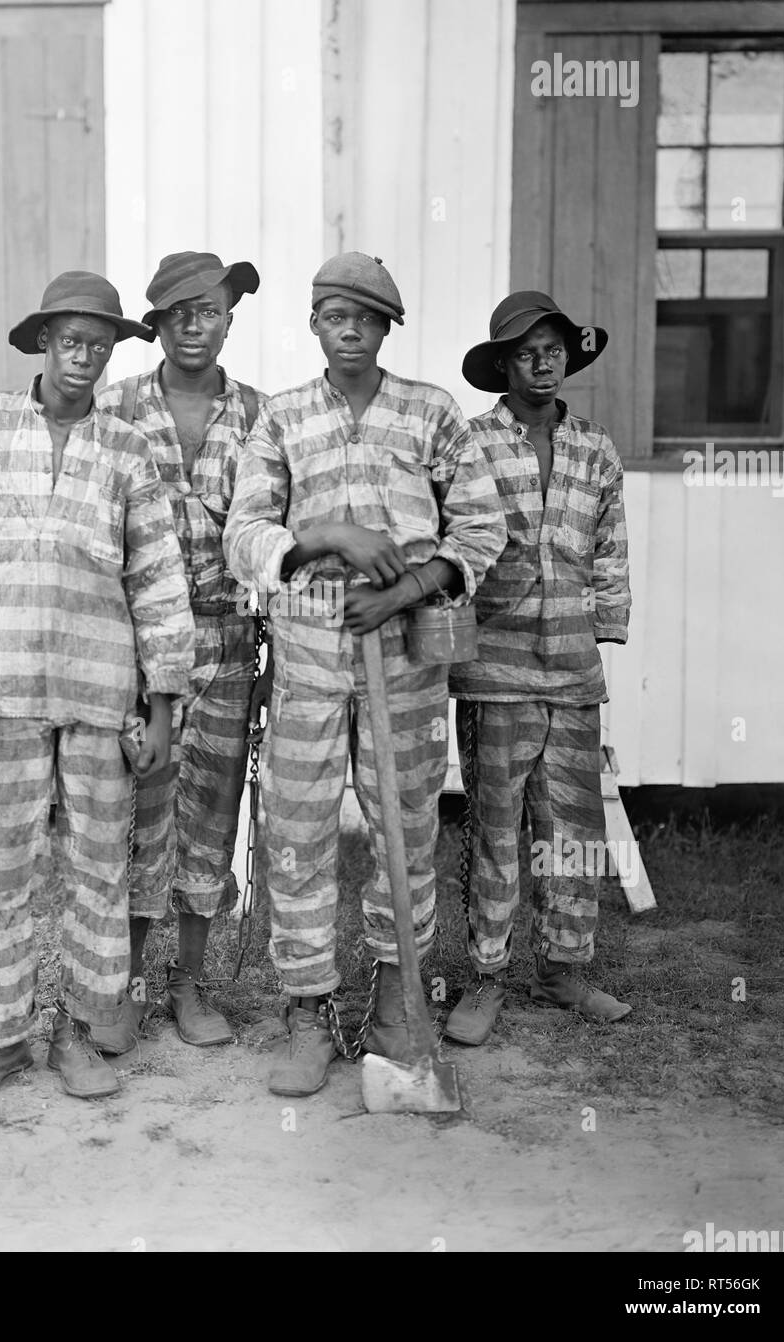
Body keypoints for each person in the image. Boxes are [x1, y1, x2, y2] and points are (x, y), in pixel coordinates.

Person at [224, 252, 506, 1097]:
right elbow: (244, 533)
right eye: (334, 315)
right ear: (313, 324)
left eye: (367, 318)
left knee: (405, 830)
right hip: (309, 658)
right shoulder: (281, 418)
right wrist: (327, 538)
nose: (350, 330)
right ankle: (308, 1012)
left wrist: (410, 590)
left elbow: (482, 528)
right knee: (299, 835)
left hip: (407, 657)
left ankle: (395, 1003)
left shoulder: (432, 413)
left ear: (387, 329)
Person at [0, 271, 195, 1101]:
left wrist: (162, 704)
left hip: (102, 693)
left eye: (100, 346)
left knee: (99, 864)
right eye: (71, 341)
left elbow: (159, 581)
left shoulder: (129, 450)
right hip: (2, 690)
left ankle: (78, 1032)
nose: (85, 358)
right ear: (41, 343)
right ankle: (1, 1041)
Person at [445, 290, 633, 1048]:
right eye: (526, 352)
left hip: (573, 671)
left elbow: (611, 546)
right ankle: (487, 976)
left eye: (554, 349)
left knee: (573, 828)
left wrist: (606, 626)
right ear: (504, 366)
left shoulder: (596, 448)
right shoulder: (474, 445)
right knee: (495, 827)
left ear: (568, 358)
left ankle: (565, 968)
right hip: (495, 667)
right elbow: (452, 543)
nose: (543, 362)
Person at [96, 251, 267, 1050]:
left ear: (230, 317)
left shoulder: (265, 416)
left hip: (230, 638)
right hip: (139, 647)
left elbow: (278, 532)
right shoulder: (117, 408)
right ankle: (123, 986)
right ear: (156, 325)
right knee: (140, 813)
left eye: (212, 311)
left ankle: (189, 988)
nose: (197, 327)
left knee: (209, 817)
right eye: (180, 314)